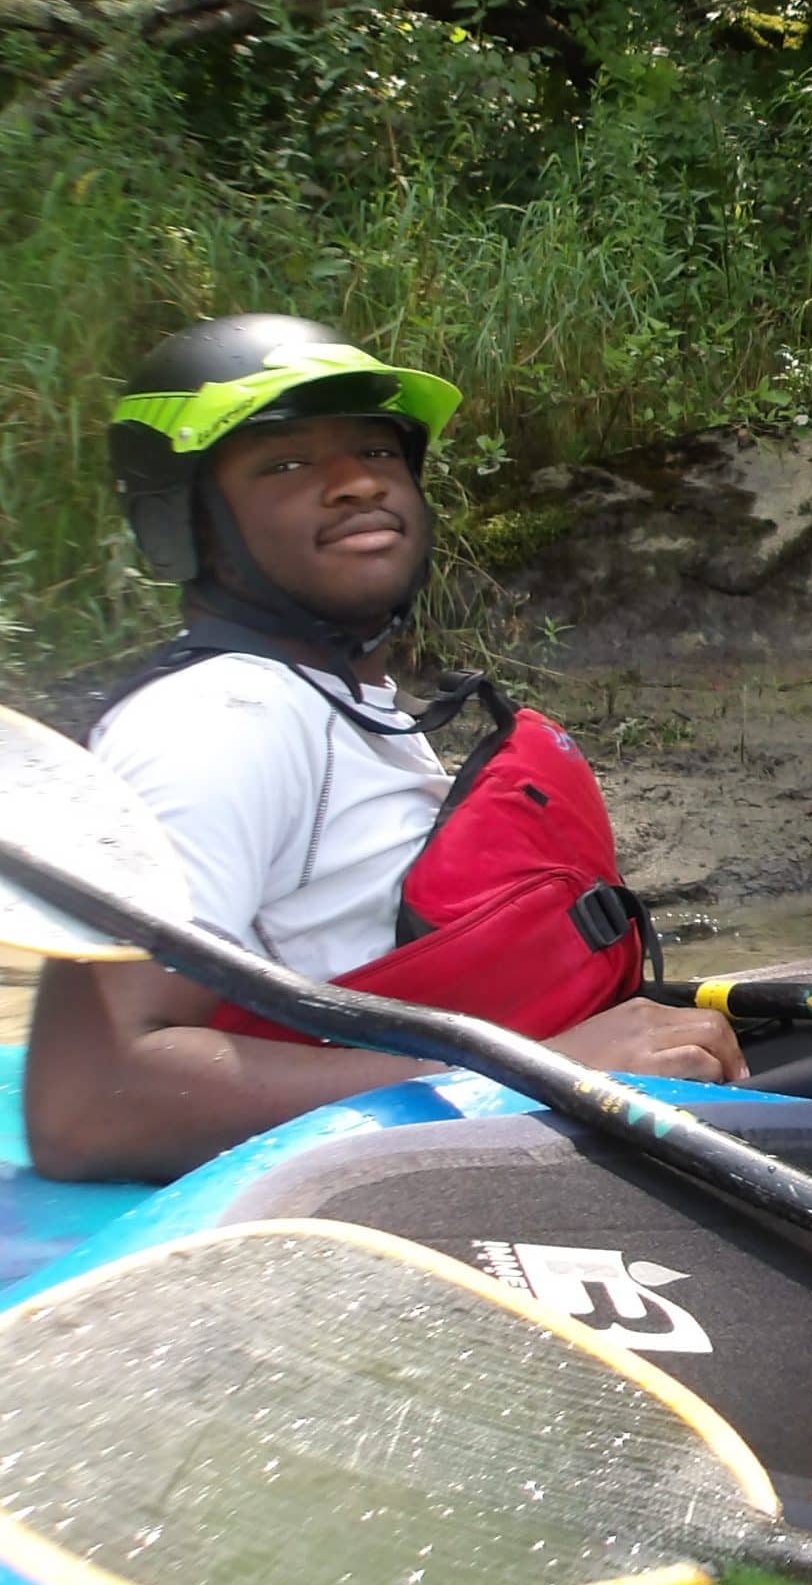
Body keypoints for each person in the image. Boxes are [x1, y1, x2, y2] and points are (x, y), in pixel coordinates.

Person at [26, 313, 740, 1182]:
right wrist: (540, 1071)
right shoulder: (220, 720)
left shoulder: (337, 705)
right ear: (185, 523)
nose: (354, 485)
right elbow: (90, 1102)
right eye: (285, 463)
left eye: (377, 453)